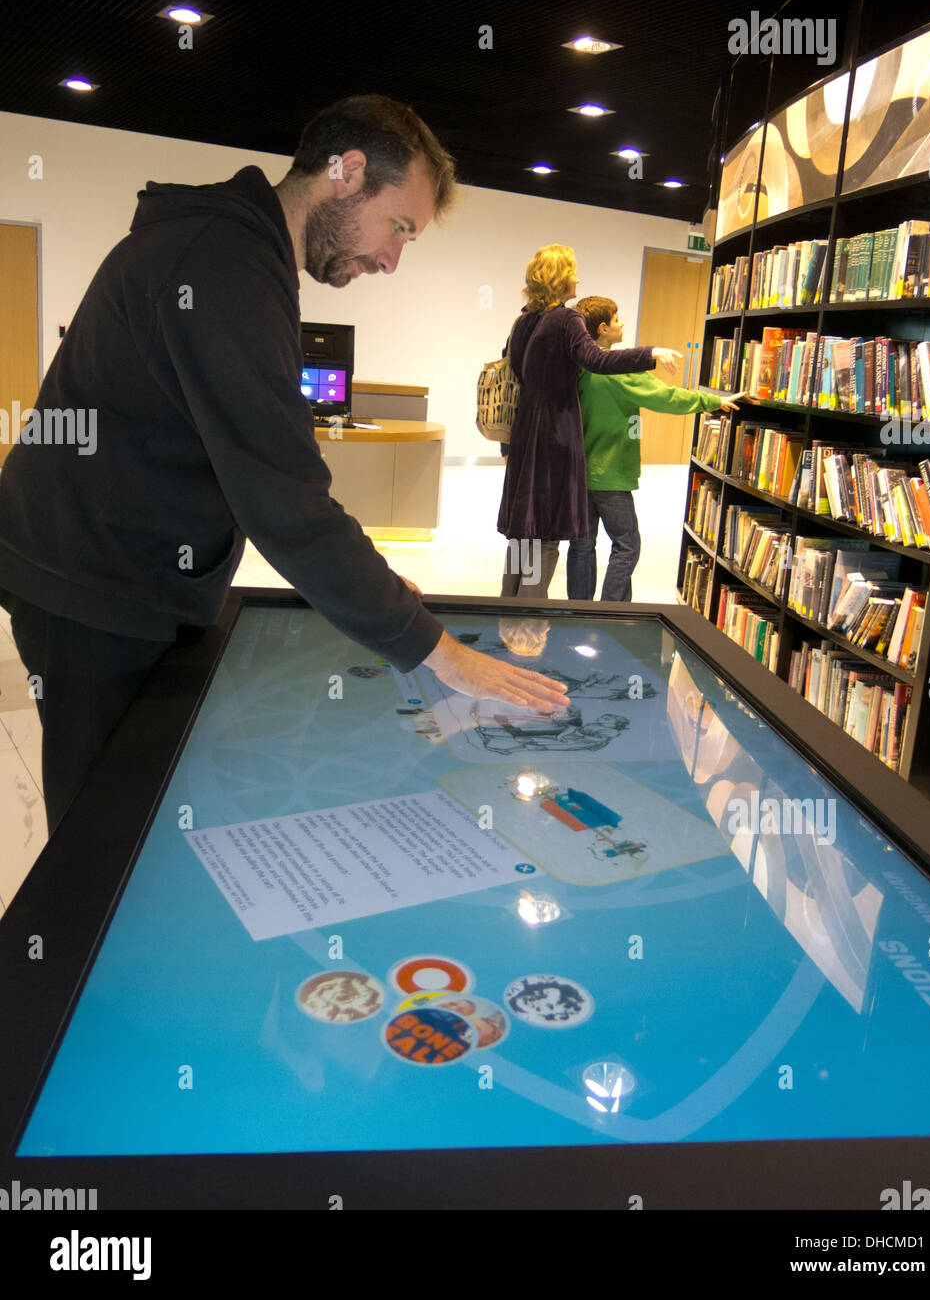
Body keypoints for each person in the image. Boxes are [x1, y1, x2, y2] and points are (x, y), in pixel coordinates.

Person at [0, 94, 567, 837]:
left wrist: (368, 582)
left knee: (138, 797)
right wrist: (442, 654)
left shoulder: (237, 253)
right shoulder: (222, 262)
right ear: (347, 171)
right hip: (93, 583)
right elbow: (285, 499)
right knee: (100, 823)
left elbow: (256, 465)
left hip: (123, 566)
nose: (392, 260)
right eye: (398, 226)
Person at [497, 245, 682, 597]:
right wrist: (651, 353)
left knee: (524, 531)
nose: (577, 277)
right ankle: (527, 622)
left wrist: (508, 443)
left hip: (524, 436)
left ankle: (508, 611)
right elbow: (597, 359)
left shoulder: (522, 321)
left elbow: (513, 378)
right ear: (560, 278)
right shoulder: (567, 320)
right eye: (573, 271)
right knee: (545, 535)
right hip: (554, 437)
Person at [566, 295, 747, 601]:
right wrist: (713, 401)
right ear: (603, 329)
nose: (621, 323)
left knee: (583, 544)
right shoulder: (618, 370)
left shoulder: (577, 369)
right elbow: (667, 398)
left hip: (579, 473)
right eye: (616, 319)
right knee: (627, 545)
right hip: (610, 475)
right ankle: (609, 612)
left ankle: (579, 611)